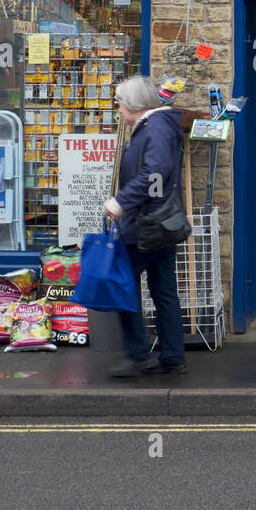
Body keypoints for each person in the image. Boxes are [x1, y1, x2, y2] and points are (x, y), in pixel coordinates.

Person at [103, 75, 187, 376]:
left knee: (122, 284)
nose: (119, 112)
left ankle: (139, 354)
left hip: (147, 226)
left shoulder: (157, 129)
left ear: (135, 105)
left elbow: (155, 175)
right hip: (155, 222)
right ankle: (172, 357)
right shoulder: (155, 126)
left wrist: (121, 202)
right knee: (163, 289)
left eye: (121, 105)